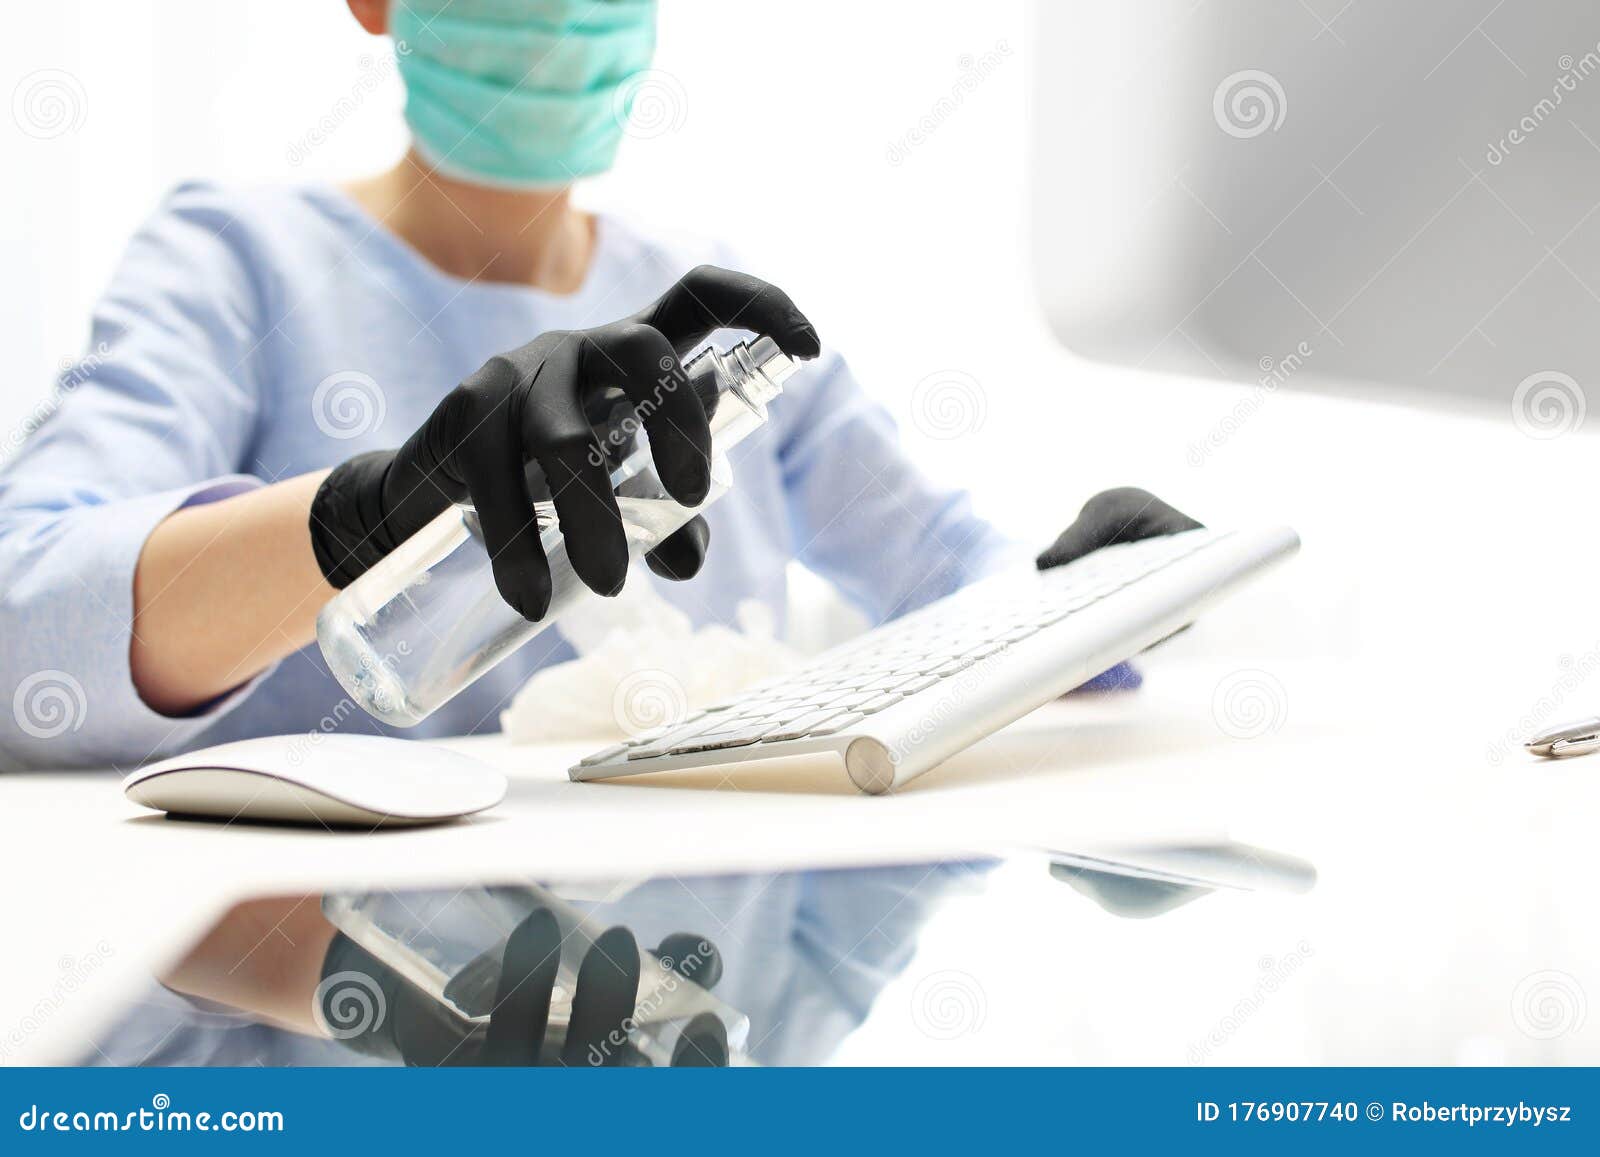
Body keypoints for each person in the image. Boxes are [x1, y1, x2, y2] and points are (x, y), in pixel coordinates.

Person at [6, 0, 1201, 1066]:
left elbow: (947, 574)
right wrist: (368, 510)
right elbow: (22, 629)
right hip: (325, 977)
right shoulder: (238, 263)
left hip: (685, 949)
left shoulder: (709, 333)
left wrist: (1084, 596)